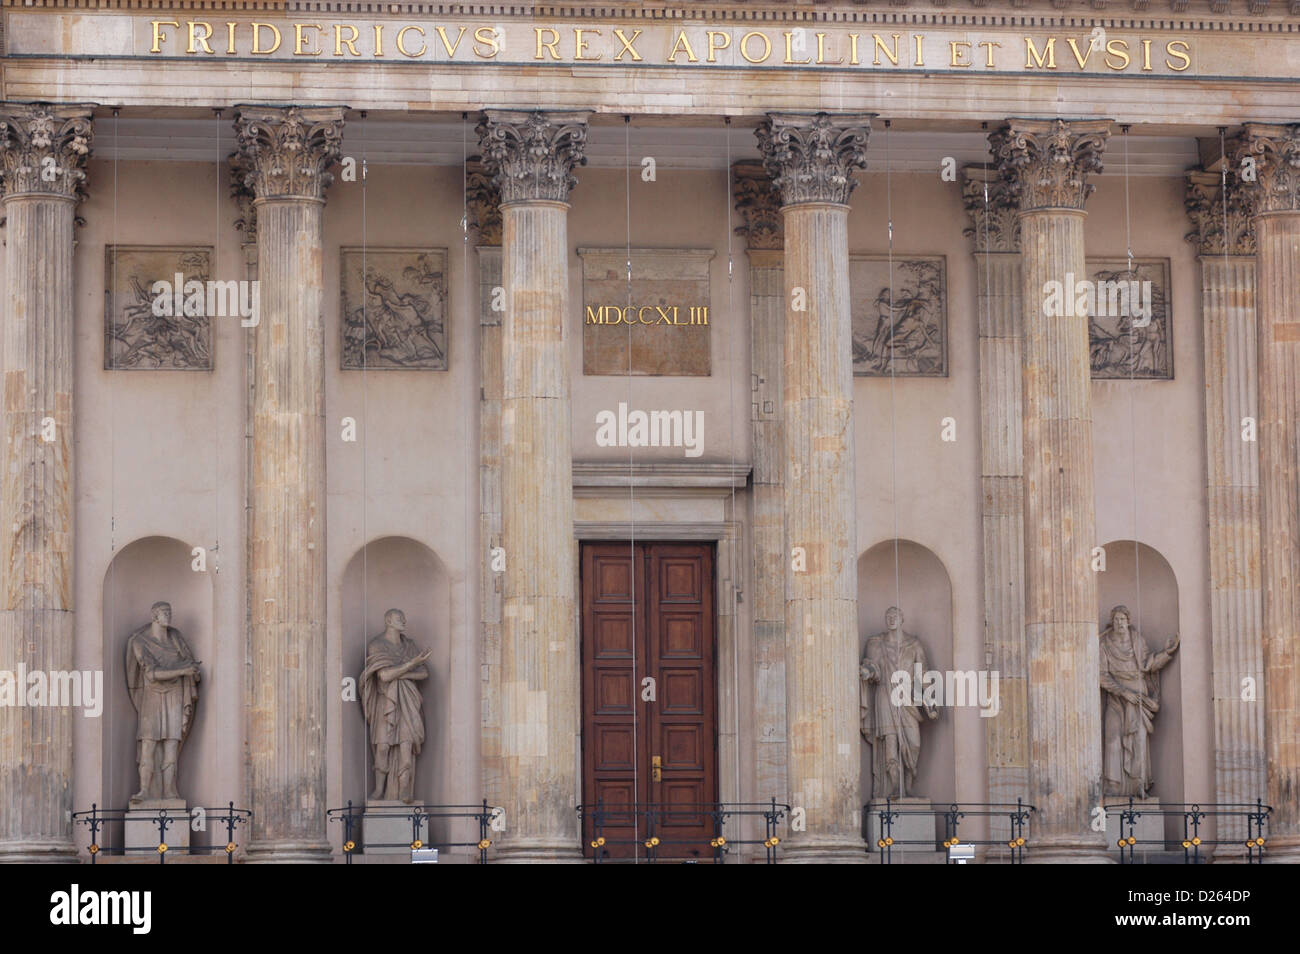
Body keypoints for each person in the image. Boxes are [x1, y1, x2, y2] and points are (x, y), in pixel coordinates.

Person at [1099, 605, 1179, 797]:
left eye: (1122, 619)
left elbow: (1148, 665)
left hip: (1138, 698)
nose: (1119, 623)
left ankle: (1139, 786)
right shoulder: (1104, 645)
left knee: (1138, 741)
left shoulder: (1137, 640)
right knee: (1112, 740)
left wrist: (1166, 653)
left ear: (1128, 621)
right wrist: (1122, 692)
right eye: (1116, 619)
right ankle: (1113, 787)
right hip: (1117, 698)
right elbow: (1101, 675)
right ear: (1112, 622)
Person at [124, 601, 200, 803]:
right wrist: (183, 670)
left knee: (171, 745)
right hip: (151, 697)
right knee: (148, 744)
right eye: (164, 612)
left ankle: (169, 792)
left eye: (169, 612)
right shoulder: (140, 641)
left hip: (175, 695)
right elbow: (151, 673)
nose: (168, 615)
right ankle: (144, 791)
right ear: (154, 616)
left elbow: (189, 661)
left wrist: (192, 669)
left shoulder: (176, 637)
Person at [860, 606, 936, 799]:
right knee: (890, 741)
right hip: (885, 695)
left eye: (895, 616)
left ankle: (908, 785)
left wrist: (929, 702)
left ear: (902, 619)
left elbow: (923, 674)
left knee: (914, 743)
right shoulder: (876, 643)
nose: (891, 619)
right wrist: (868, 671)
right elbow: (873, 668)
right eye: (888, 616)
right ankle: (895, 786)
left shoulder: (914, 645)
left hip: (906, 697)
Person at [360, 609, 431, 803]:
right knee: (382, 747)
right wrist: (411, 664)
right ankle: (379, 789)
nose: (404, 621)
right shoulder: (377, 645)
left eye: (404, 618)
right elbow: (384, 676)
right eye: (400, 618)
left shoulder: (409, 645)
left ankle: (405, 790)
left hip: (408, 702)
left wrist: (402, 673)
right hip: (385, 703)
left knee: (406, 747)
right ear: (388, 621)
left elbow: (424, 673)